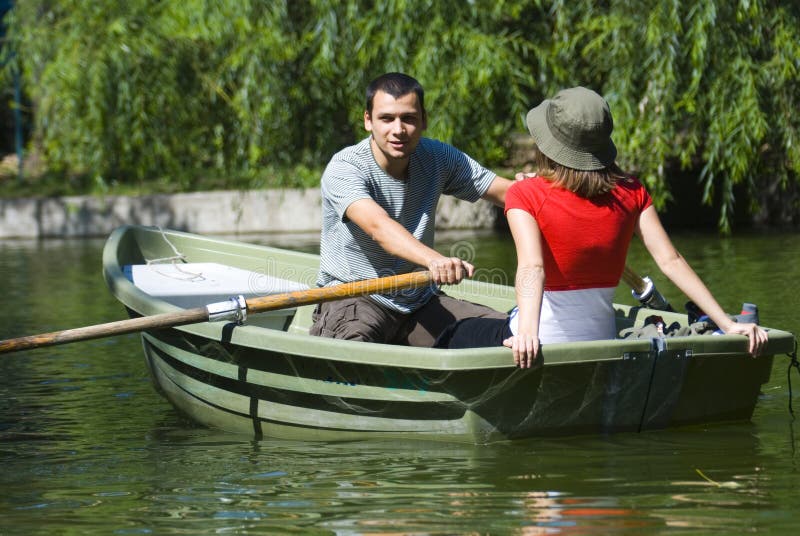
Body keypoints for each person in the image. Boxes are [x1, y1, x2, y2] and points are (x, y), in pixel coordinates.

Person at [434, 86, 769, 367]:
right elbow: (671, 261)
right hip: (600, 341)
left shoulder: (524, 194)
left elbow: (533, 267)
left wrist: (527, 336)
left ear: (547, 145)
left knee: (452, 332)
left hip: (541, 339)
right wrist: (727, 324)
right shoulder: (632, 191)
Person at [309, 72, 513, 346]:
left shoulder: (437, 157)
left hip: (419, 301)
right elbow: (378, 227)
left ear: (424, 120)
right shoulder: (345, 167)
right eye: (387, 118)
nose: (398, 129)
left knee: (509, 332)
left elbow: (506, 193)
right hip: (356, 297)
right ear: (368, 120)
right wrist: (433, 260)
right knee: (354, 354)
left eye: (408, 118)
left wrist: (542, 192)